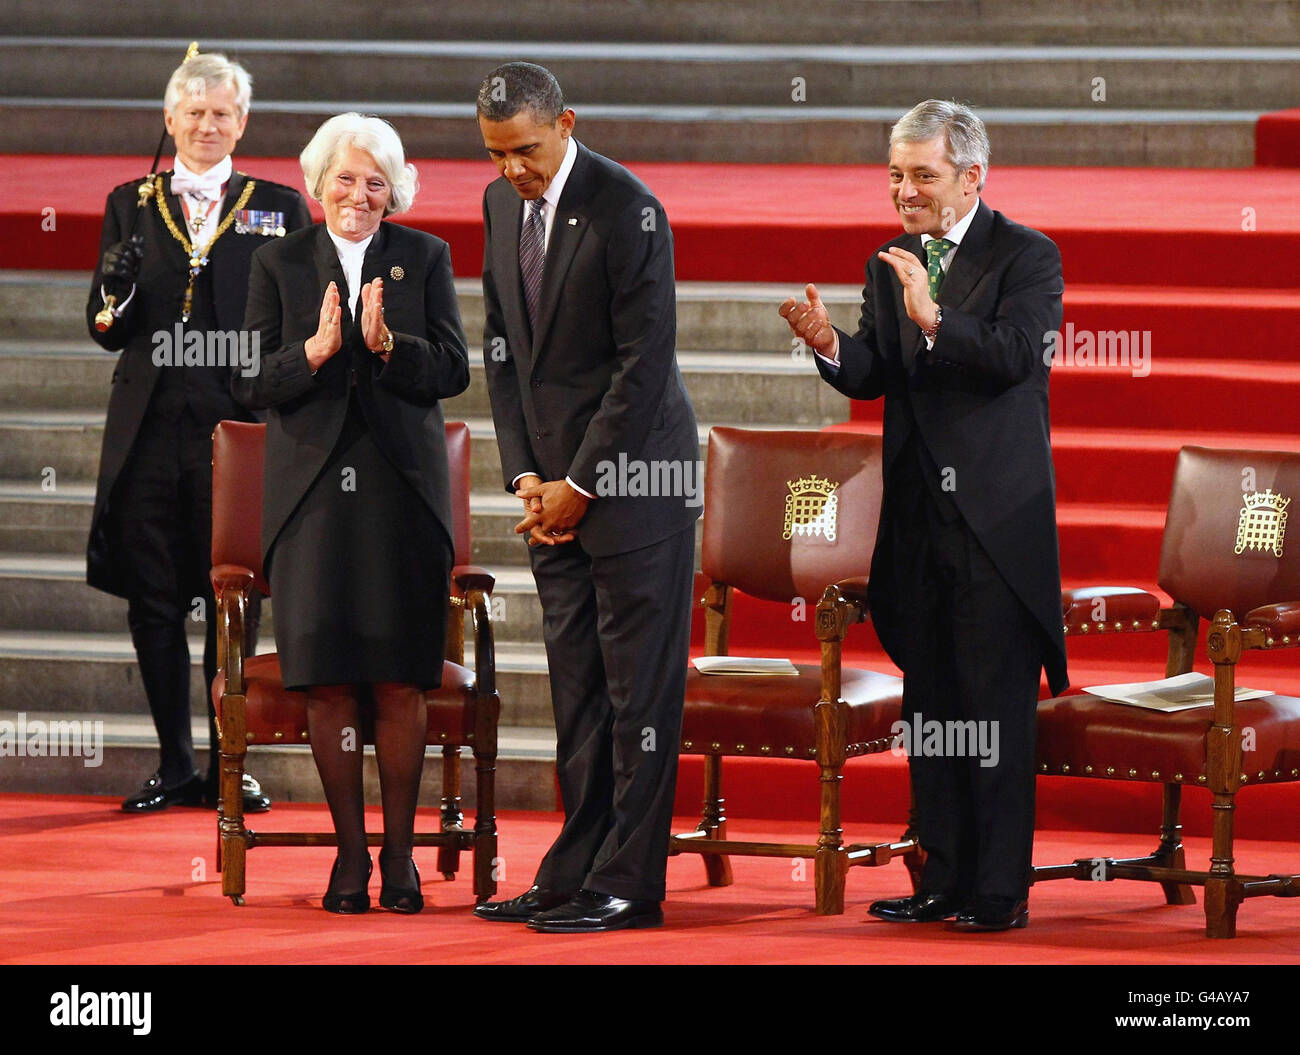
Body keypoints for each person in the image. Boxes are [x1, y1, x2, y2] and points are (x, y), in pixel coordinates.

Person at [780, 99, 1068, 932]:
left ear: (972, 176)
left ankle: (997, 891)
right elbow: (877, 370)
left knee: (992, 709)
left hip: (994, 521)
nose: (904, 192)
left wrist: (937, 317)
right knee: (935, 706)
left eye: (922, 176)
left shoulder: (1027, 255)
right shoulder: (893, 259)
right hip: (916, 519)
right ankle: (940, 876)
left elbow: (1019, 353)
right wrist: (829, 343)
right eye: (896, 176)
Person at [471, 62, 700, 933]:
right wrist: (526, 473)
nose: (514, 170)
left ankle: (631, 882)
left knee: (639, 695)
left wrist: (581, 482)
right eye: (497, 155)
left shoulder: (627, 207)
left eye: (527, 149)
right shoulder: (499, 206)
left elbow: (644, 367)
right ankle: (574, 867)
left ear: (566, 122)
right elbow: (502, 349)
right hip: (552, 495)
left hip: (636, 487)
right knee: (579, 695)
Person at [233, 113, 470, 914]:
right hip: (310, 505)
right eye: (345, 178)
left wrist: (388, 345)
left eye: (375, 182)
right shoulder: (277, 260)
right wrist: (317, 351)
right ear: (318, 181)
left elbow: (456, 370)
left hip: (401, 495)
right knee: (329, 682)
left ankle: (400, 860)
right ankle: (350, 857)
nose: (358, 195)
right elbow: (250, 380)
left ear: (394, 191)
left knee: (402, 682)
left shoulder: (424, 257)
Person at [86, 50, 311, 815]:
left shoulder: (277, 205)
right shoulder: (130, 201)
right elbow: (104, 329)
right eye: (195, 113)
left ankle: (229, 762)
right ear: (170, 119)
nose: (208, 125)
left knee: (233, 598)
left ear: (241, 122)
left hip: (238, 435)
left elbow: (302, 321)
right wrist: (115, 288)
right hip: (148, 432)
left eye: (223, 113)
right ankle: (175, 764)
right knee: (153, 597)